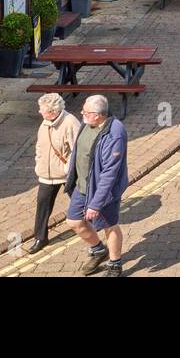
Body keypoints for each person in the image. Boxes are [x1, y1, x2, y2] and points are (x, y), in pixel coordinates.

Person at [64, 94, 129, 276]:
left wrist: (96, 203)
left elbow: (109, 173)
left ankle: (115, 264)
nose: (81, 113)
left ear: (98, 115)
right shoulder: (87, 123)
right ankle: (99, 250)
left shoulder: (115, 133)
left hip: (103, 191)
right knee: (74, 221)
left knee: (110, 225)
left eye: (85, 111)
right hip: (82, 185)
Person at [30, 93, 81, 253]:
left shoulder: (70, 123)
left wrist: (68, 170)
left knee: (80, 200)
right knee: (42, 204)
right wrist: (39, 163)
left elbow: (78, 151)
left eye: (42, 109)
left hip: (66, 174)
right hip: (46, 174)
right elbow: (40, 145)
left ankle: (91, 223)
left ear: (53, 111)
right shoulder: (45, 122)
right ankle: (40, 238)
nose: (39, 112)